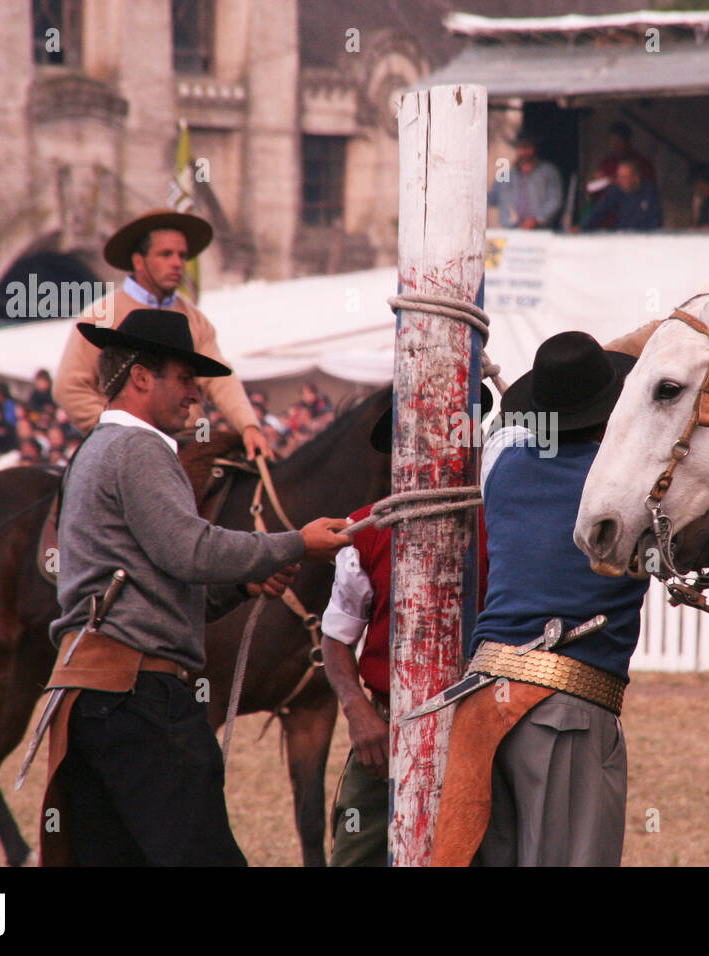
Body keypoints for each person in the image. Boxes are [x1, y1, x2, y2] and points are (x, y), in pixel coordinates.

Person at [38, 308, 353, 866]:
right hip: (137, 699)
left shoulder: (97, 449)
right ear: (140, 377)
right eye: (185, 379)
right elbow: (193, 549)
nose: (195, 396)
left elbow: (158, 581)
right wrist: (295, 543)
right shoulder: (141, 449)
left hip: (98, 699)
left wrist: (242, 586)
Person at [430, 332, 649, 866]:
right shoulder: (632, 490)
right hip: (564, 711)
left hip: (484, 702)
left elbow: (515, 427)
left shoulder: (502, 460)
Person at [321, 389, 492, 867]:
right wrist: (357, 710)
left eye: (460, 433)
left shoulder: (501, 521)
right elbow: (336, 640)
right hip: (384, 735)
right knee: (356, 856)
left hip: (480, 732)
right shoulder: (366, 531)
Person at [53, 209, 272, 460]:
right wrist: (122, 430)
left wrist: (248, 426)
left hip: (188, 447)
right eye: (166, 254)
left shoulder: (195, 319)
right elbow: (68, 388)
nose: (178, 263)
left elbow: (220, 379)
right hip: (124, 452)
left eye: (182, 255)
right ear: (138, 261)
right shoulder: (100, 315)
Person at [487, 133, 564, 230]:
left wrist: (537, 219)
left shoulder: (548, 172)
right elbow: (491, 198)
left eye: (527, 147)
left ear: (534, 149)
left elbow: (555, 200)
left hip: (540, 231)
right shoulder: (507, 173)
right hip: (511, 230)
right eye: (520, 148)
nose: (524, 151)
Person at [575, 159, 662, 232]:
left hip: (644, 240)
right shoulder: (617, 191)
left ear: (636, 177)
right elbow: (600, 211)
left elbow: (654, 220)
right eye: (618, 177)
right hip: (621, 238)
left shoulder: (649, 191)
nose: (619, 181)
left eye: (624, 177)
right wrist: (582, 227)